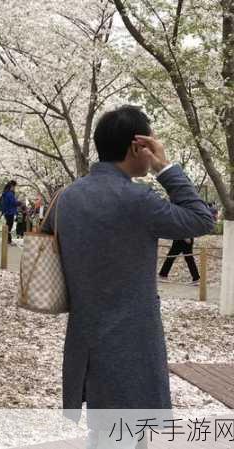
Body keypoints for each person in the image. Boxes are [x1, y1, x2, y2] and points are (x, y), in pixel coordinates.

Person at [43, 105, 214, 448]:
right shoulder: (138, 200)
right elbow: (200, 218)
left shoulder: (67, 196)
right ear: (138, 147)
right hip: (132, 342)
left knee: (104, 435)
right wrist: (165, 167)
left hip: (86, 340)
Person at [0, 180, 18, 245]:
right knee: (9, 226)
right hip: (10, 212)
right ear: (11, 186)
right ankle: (9, 240)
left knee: (8, 226)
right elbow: (13, 203)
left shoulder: (5, 193)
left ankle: (8, 240)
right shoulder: (10, 194)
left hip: (7, 212)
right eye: (14, 187)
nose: (14, 188)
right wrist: (19, 203)